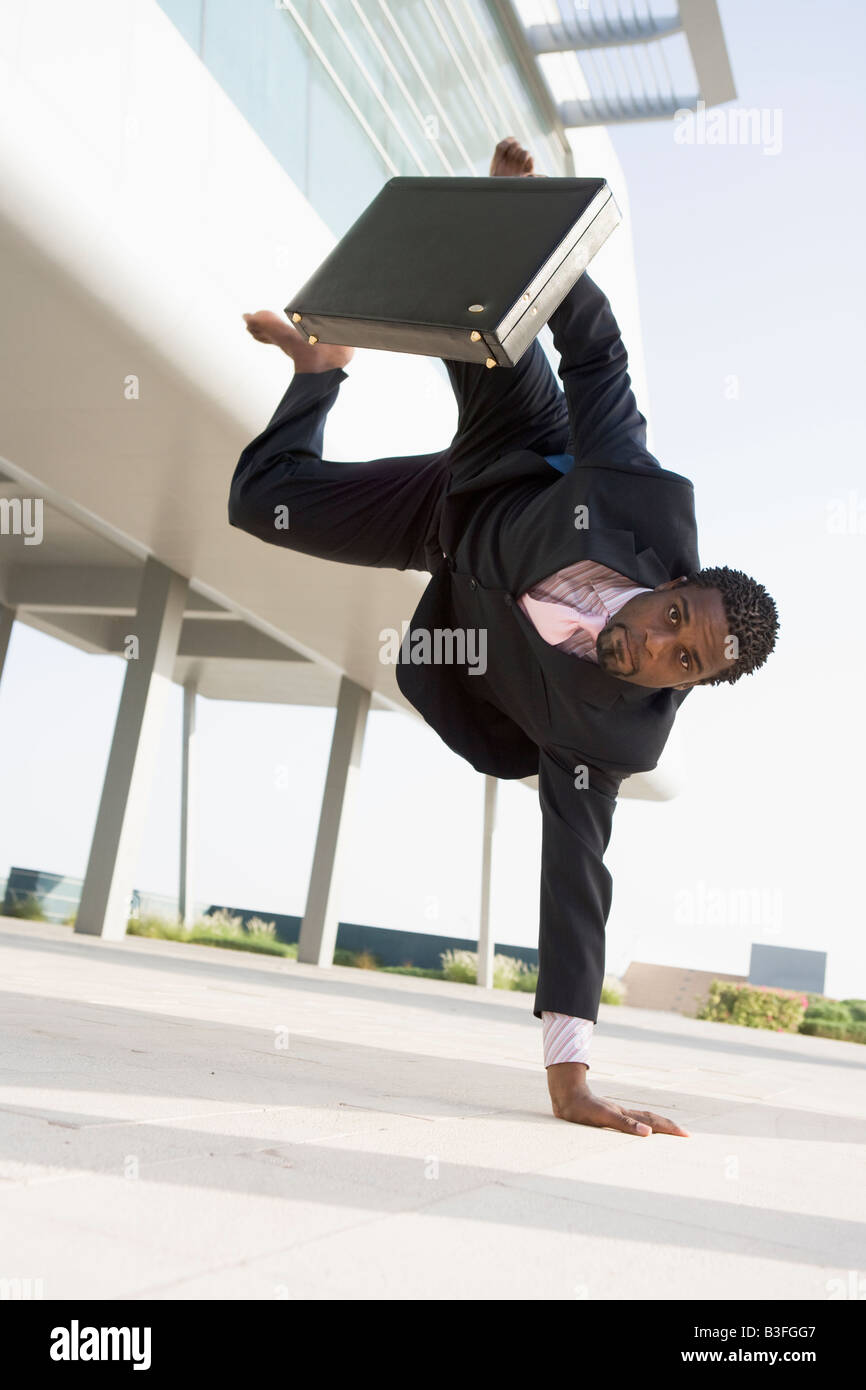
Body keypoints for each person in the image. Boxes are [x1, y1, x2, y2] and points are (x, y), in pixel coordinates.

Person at [229, 137, 779, 1138]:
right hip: (513, 460)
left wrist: (570, 1082)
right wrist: (531, 226)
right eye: (670, 617)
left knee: (259, 502)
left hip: (444, 540)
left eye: (683, 659)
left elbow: (576, 890)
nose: (655, 644)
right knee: (488, 318)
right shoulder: (638, 498)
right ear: (670, 581)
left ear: (689, 683)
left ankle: (319, 368)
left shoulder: (611, 737)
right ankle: (491, 227)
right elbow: (598, 358)